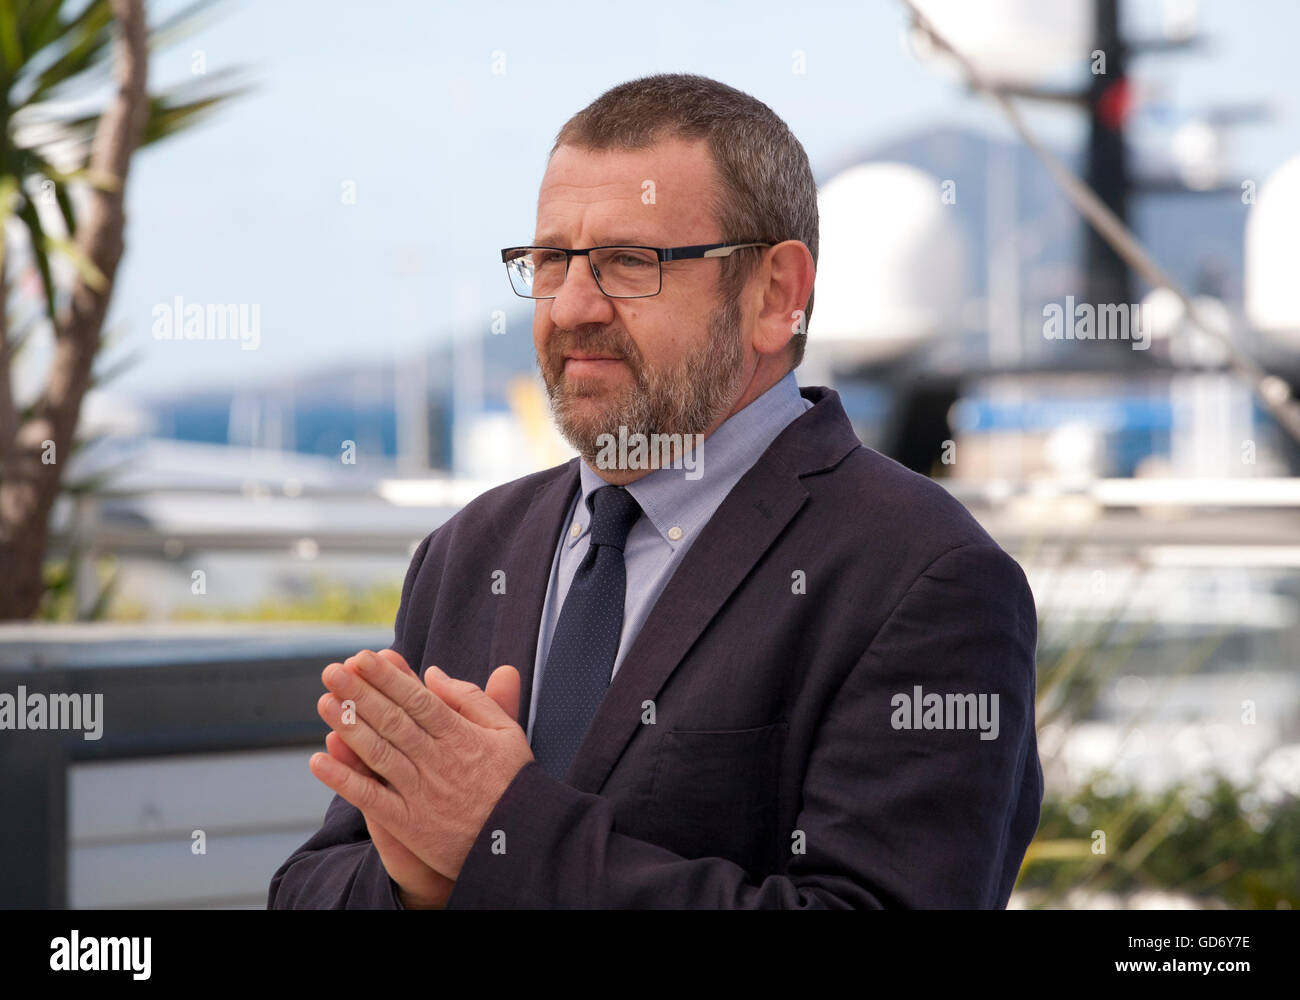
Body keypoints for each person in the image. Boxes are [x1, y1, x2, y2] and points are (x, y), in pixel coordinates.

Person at [267, 72, 1042, 910]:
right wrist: (414, 888)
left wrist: (502, 833)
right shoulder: (468, 551)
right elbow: (310, 886)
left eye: (630, 263)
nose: (571, 306)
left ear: (775, 295)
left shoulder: (925, 577)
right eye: (552, 259)